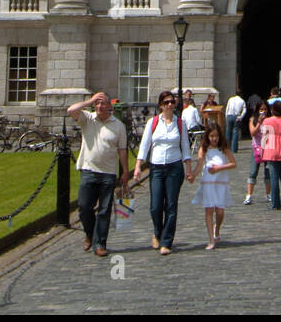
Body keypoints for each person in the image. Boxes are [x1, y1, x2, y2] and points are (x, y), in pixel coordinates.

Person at [66, 91, 129, 256]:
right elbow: (71, 110)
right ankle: (90, 234)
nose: (100, 106)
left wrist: (125, 172)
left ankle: (100, 243)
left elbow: (122, 151)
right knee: (84, 207)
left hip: (108, 173)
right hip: (88, 169)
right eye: (97, 104)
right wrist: (90, 101)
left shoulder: (119, 125)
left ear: (110, 106)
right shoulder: (88, 119)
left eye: (103, 103)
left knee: (104, 210)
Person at [133, 90, 193, 255]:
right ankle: (158, 233)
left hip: (174, 167)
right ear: (160, 105)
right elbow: (144, 145)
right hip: (156, 167)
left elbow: (186, 148)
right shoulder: (153, 122)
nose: (170, 105)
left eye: (172, 102)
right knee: (155, 207)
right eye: (166, 102)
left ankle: (167, 241)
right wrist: (138, 166)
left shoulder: (180, 123)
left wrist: (188, 169)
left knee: (171, 205)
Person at [190, 122, 236, 249]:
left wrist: (220, 168)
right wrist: (193, 175)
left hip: (221, 182)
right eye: (211, 136)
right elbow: (199, 165)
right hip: (208, 182)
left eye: (216, 136)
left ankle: (217, 229)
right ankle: (211, 239)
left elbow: (233, 163)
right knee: (209, 209)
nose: (214, 139)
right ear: (207, 136)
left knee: (220, 211)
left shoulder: (223, 148)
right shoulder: (204, 148)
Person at [257, 100, 281, 209]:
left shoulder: (267, 121)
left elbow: (264, 137)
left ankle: (275, 204)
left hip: (270, 149)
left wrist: (262, 150)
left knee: (274, 178)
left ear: (273, 110)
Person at [243, 102, 271, 204]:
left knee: (268, 173)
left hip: (268, 148)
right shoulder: (252, 119)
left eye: (265, 109)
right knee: (253, 172)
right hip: (257, 148)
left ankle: (268, 194)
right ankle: (249, 195)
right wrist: (259, 123)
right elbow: (252, 133)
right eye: (261, 109)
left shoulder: (269, 120)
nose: (263, 111)